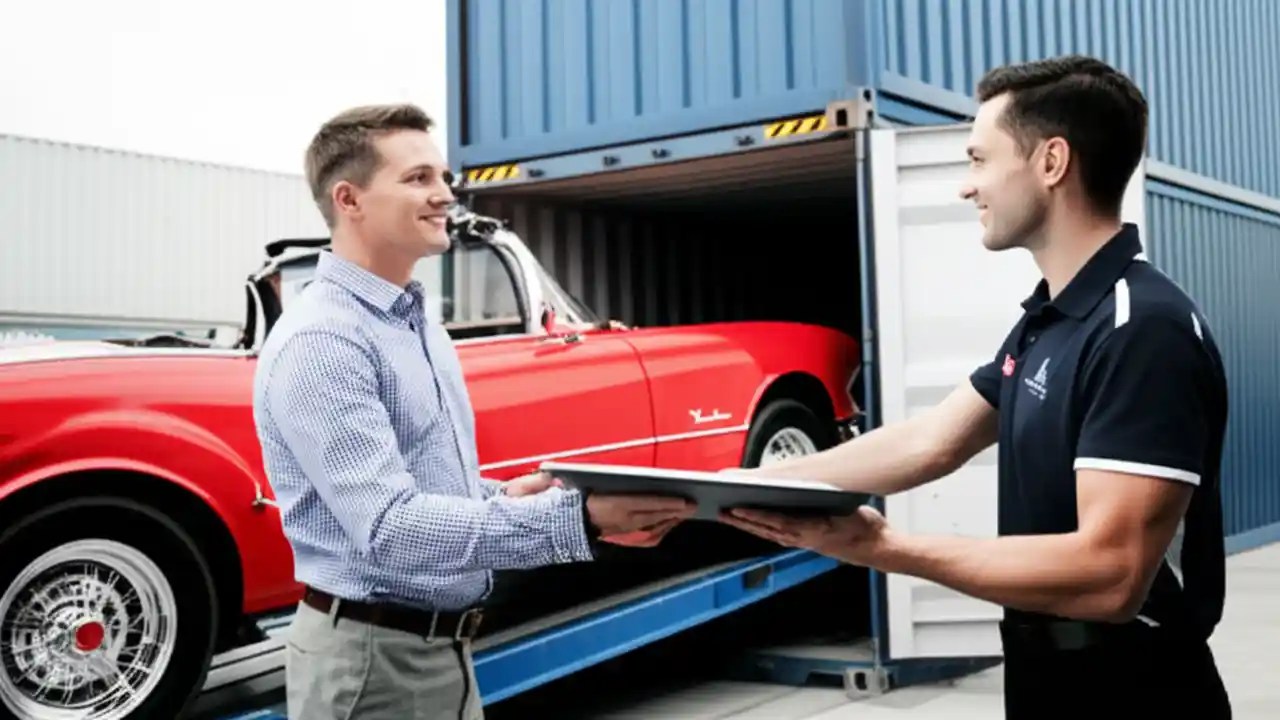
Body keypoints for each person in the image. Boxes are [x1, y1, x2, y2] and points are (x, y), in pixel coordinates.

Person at [720, 55, 1232, 719]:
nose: (968, 187)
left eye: (979, 159)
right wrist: (747, 487)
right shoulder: (1049, 320)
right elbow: (931, 441)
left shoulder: (1143, 330)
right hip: (1048, 674)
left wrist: (885, 549)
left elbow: (1111, 575)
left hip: (1137, 691)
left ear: (1051, 162)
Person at [252, 103, 695, 720]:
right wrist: (577, 519)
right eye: (418, 178)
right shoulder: (325, 340)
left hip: (437, 647)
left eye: (443, 177)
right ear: (348, 199)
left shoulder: (415, 323)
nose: (445, 195)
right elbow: (389, 528)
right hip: (374, 661)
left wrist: (502, 496)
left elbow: (417, 485)